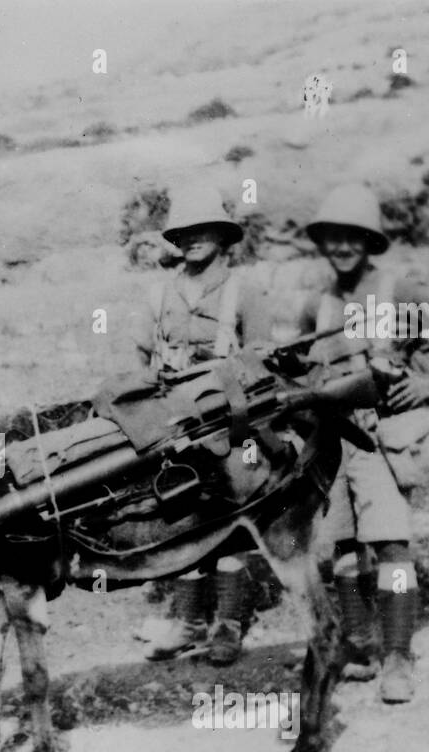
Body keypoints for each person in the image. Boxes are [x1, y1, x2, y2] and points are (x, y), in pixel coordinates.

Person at [295, 183, 429, 703]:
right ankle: (359, 644)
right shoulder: (320, 304)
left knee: (391, 545)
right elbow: (296, 365)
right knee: (341, 547)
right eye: (333, 238)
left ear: (369, 241)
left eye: (352, 238)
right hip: (333, 437)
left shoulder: (397, 289)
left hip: (380, 435)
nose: (342, 248)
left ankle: (397, 654)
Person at [132, 184, 272, 664]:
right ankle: (188, 621)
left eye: (201, 230)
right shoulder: (160, 293)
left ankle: (227, 624)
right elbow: (138, 358)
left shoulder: (244, 291)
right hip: (172, 425)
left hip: (227, 424)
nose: (191, 239)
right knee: (179, 517)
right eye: (183, 232)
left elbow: (260, 360)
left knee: (232, 519)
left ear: (222, 235)